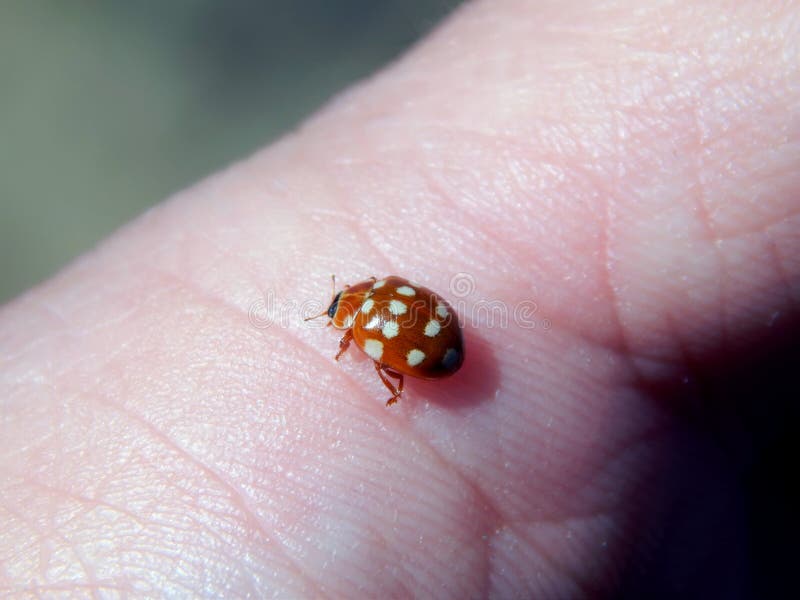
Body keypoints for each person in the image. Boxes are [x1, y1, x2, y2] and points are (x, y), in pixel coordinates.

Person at [1, 1, 796, 596]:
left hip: (443, 357)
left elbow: (404, 330)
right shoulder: (375, 299)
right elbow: (412, 320)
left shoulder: (364, 316)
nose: (340, 319)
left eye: (340, 314)